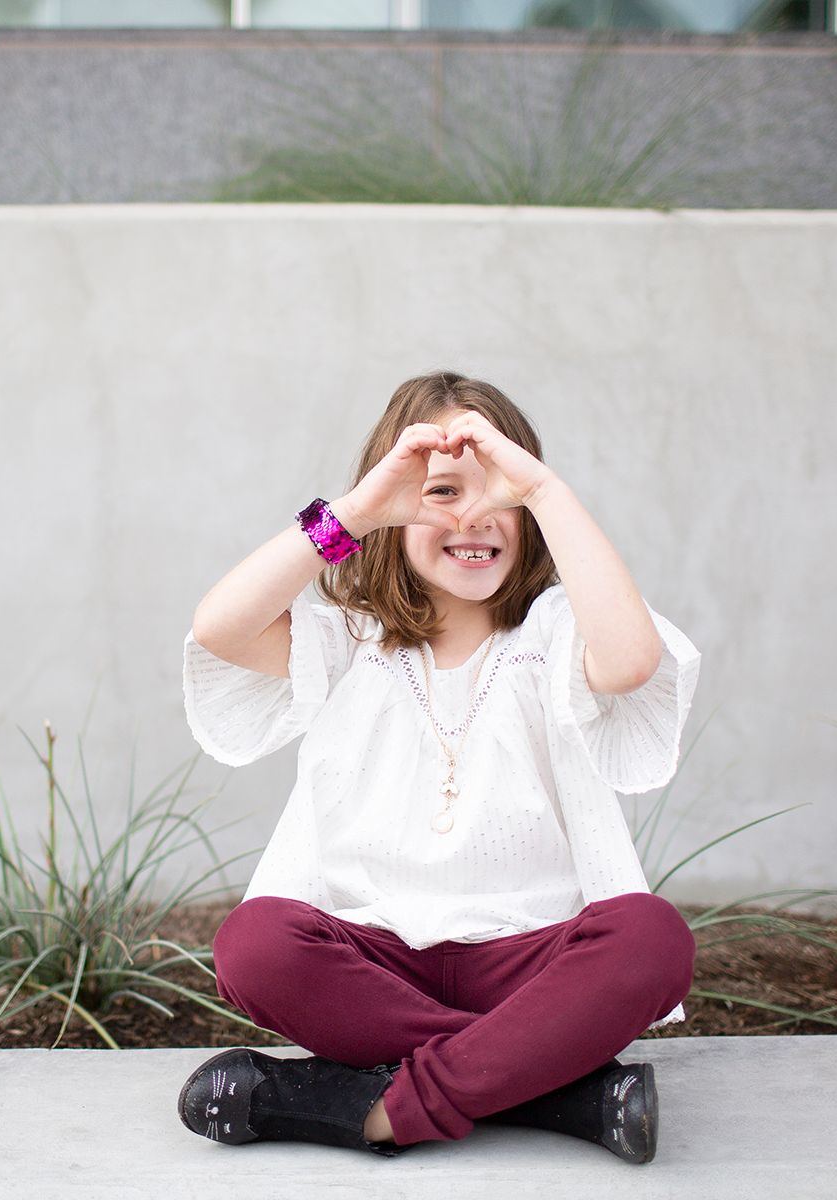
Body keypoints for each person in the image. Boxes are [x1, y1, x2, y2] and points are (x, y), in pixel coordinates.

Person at [176, 371, 700, 1161]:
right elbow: (219, 628)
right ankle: (557, 1091)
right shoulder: (350, 641)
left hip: (533, 959)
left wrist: (550, 491)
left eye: (503, 491)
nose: (475, 516)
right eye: (444, 492)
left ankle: (369, 1110)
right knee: (256, 944)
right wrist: (352, 512)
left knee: (651, 939)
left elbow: (629, 661)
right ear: (395, 508)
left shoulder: (555, 632)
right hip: (373, 962)